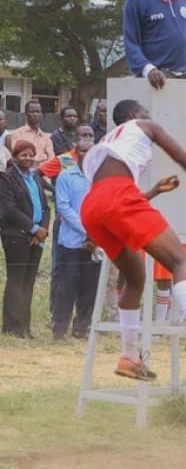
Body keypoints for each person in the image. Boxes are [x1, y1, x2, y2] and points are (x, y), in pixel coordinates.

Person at [80, 99, 186, 380]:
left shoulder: (106, 144)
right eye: (145, 112)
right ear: (132, 116)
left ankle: (129, 356)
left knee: (136, 279)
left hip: (92, 206)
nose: (150, 117)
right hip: (118, 195)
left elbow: (108, 198)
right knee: (179, 262)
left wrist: (153, 192)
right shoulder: (144, 126)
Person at [50, 134, 102, 340]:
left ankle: (82, 328)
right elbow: (63, 207)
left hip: (94, 242)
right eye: (82, 151)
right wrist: (85, 228)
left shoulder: (100, 178)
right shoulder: (66, 175)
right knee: (66, 286)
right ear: (76, 152)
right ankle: (60, 328)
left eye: (90, 152)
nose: (86, 155)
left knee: (89, 287)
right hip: (71, 240)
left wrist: (94, 232)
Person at [0, 141, 51, 337]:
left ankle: (25, 328)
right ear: (14, 157)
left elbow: (46, 207)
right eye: (23, 155)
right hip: (16, 236)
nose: (28, 158)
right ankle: (12, 329)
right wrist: (33, 229)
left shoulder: (36, 176)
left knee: (28, 282)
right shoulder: (7, 178)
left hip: (37, 237)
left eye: (31, 155)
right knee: (16, 280)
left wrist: (43, 229)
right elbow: (9, 209)